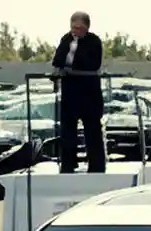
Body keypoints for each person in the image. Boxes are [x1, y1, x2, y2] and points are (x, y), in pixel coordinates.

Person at [51, 11, 107, 174]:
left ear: (86, 28)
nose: (75, 30)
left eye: (79, 28)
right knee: (68, 130)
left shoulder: (94, 41)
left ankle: (96, 166)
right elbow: (58, 59)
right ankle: (68, 164)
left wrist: (74, 63)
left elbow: (92, 64)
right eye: (73, 27)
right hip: (71, 92)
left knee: (92, 131)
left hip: (89, 93)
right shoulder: (66, 39)